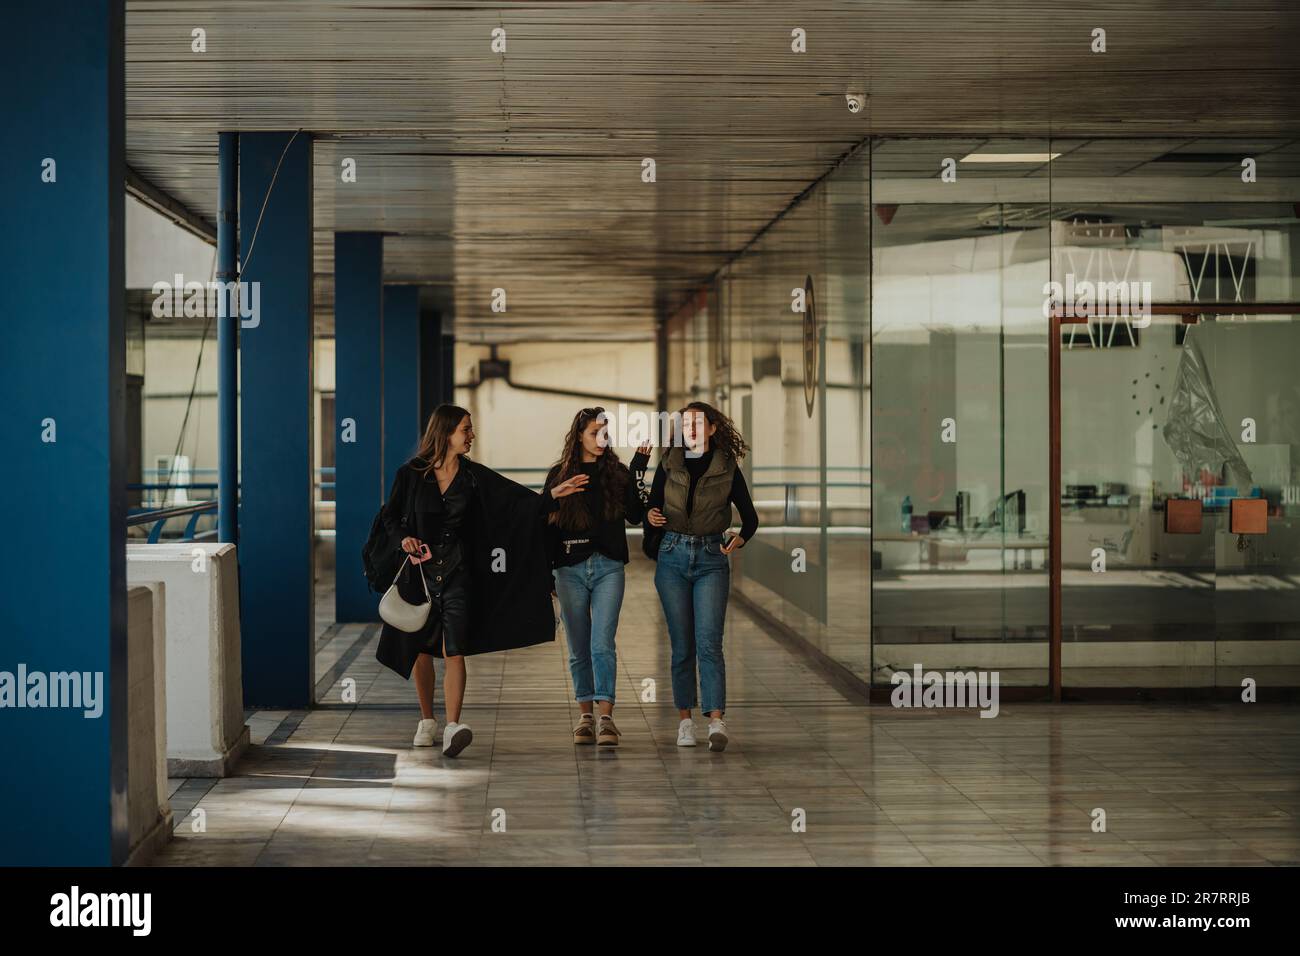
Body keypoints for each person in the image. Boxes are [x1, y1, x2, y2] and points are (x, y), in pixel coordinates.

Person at [375, 404, 588, 756]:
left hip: (458, 573)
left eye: (470, 429)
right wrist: (404, 539)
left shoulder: (474, 477)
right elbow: (390, 517)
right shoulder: (411, 474)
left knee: (454, 647)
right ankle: (427, 720)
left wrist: (551, 496)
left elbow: (515, 504)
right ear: (445, 433)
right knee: (419, 649)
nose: (471, 435)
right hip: (419, 575)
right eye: (465, 429)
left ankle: (453, 725)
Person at [646, 402, 759, 752]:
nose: (690, 428)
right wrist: (651, 516)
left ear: (712, 428)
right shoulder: (668, 462)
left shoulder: (727, 467)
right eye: (685, 423)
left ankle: (715, 721)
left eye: (697, 422)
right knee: (682, 646)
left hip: (711, 558)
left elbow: (750, 518)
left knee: (709, 642)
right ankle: (685, 722)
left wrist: (740, 538)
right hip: (672, 559)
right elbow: (651, 505)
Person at [542, 407, 651, 747]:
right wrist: (546, 576)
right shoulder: (559, 475)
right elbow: (546, 524)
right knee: (578, 647)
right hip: (569, 569)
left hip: (608, 567)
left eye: (605, 432)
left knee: (602, 644)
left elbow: (635, 516)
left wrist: (637, 470)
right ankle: (585, 716)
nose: (601, 438)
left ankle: (606, 719)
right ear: (578, 436)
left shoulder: (616, 473)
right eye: (594, 432)